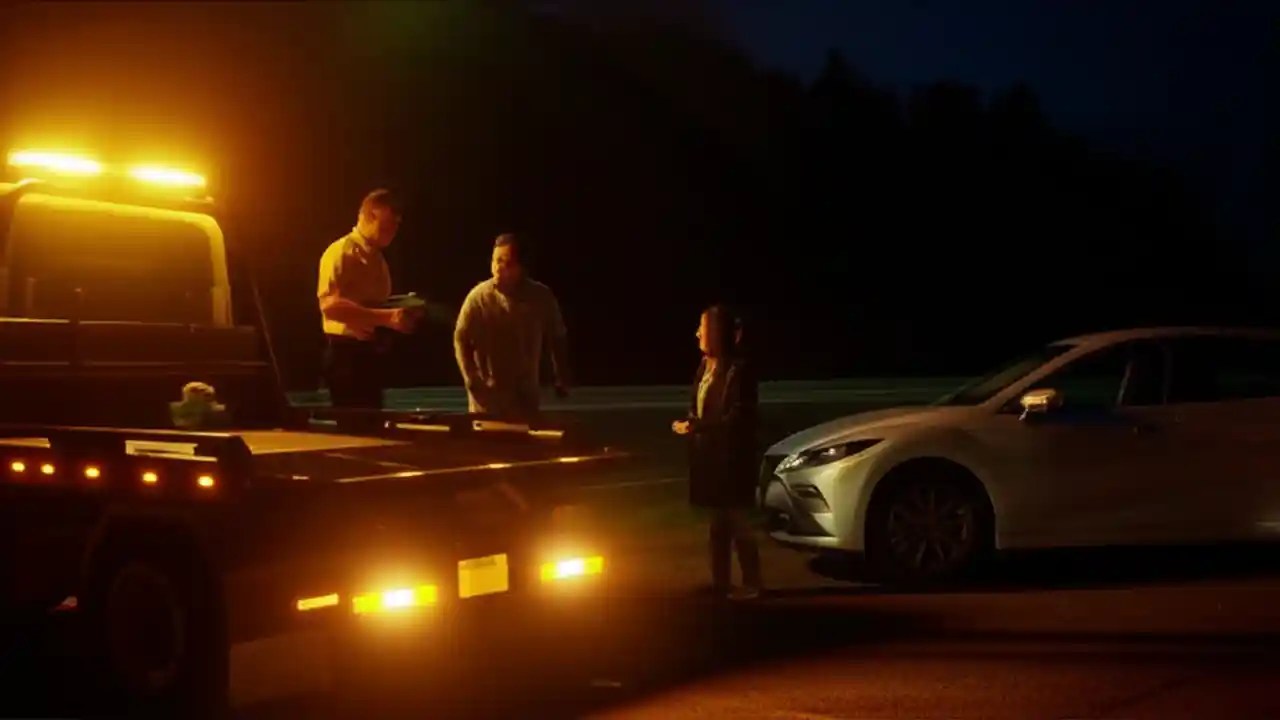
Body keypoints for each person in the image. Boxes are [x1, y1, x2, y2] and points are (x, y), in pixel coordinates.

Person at [672, 304, 762, 600]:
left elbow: (737, 418)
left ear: (716, 333)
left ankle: (752, 584)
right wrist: (689, 423)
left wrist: (697, 426)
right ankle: (721, 582)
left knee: (737, 520)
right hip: (710, 458)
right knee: (717, 525)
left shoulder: (740, 372)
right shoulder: (704, 367)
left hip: (731, 459)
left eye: (703, 327)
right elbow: (698, 404)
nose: (697, 333)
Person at [316, 189, 418, 413]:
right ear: (369, 216)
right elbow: (330, 305)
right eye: (388, 223)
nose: (393, 230)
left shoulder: (377, 259)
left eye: (397, 225)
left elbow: (369, 302)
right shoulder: (341, 252)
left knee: (373, 430)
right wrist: (386, 317)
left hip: (369, 355)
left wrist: (399, 309)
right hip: (346, 358)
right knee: (357, 432)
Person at [454, 233, 570, 422]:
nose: (499, 269)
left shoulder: (540, 297)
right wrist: (471, 376)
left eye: (507, 263)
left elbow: (557, 335)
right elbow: (461, 338)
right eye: (496, 261)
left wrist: (561, 374)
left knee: (523, 447)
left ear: (521, 268)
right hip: (487, 400)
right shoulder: (478, 298)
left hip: (524, 397)